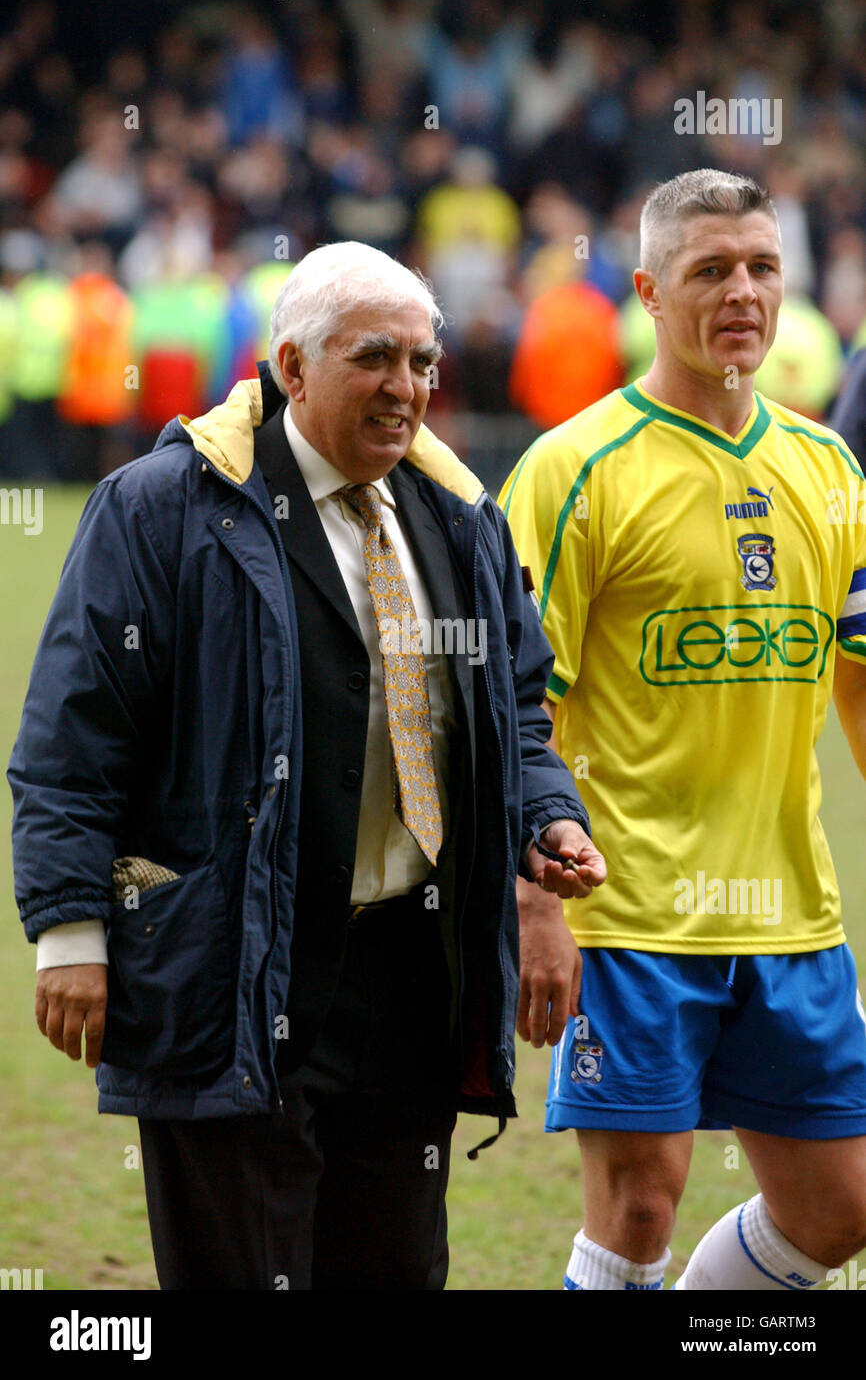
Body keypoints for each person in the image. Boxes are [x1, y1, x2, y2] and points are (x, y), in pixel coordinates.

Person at [8, 241, 605, 1291]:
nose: (407, 387)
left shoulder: (457, 518)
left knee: (393, 1271)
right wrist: (68, 933)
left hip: (414, 983)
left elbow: (512, 705)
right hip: (232, 960)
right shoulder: (162, 509)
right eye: (374, 358)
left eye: (422, 361)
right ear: (291, 366)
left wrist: (544, 818)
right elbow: (73, 736)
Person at [500, 169, 866, 1292]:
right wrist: (531, 904)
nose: (742, 292)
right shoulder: (572, 469)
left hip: (787, 911)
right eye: (710, 270)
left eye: (760, 267)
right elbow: (516, 708)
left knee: (838, 1207)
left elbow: (857, 677)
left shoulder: (828, 467)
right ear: (651, 295)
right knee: (638, 1201)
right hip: (625, 908)